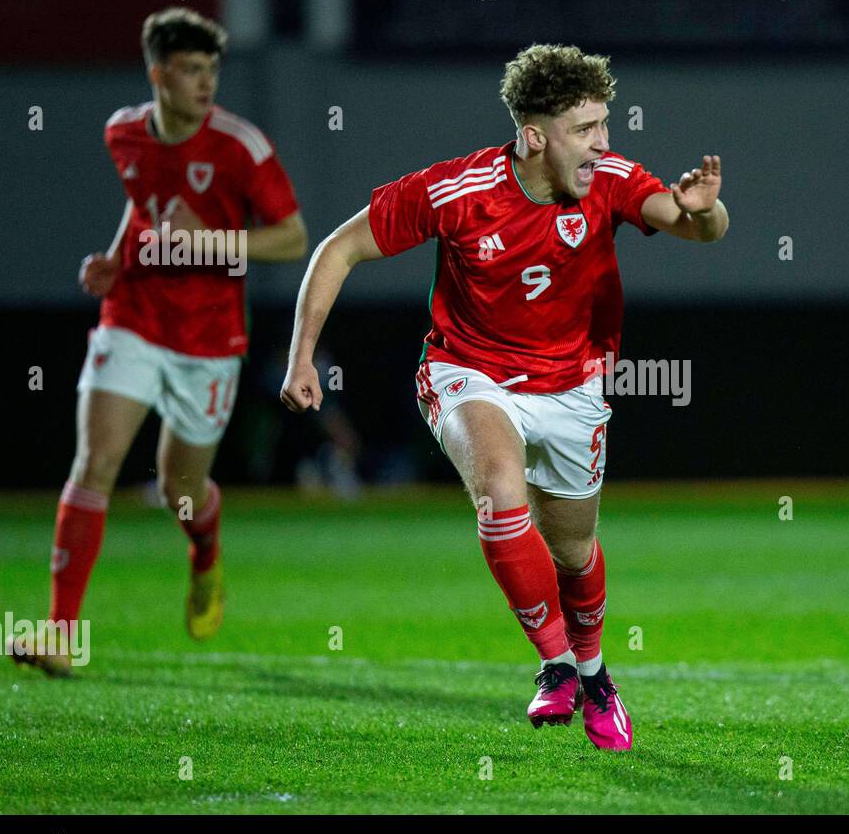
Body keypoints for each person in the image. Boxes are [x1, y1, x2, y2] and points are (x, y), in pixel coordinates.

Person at [281, 43, 728, 749]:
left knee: (574, 549)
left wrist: (704, 212)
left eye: (604, 125)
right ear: (534, 137)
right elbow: (337, 249)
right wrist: (302, 355)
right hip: (470, 371)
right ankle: (557, 667)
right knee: (498, 486)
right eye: (586, 129)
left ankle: (594, 673)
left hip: (575, 384)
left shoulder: (611, 180)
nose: (603, 143)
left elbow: (698, 226)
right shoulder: (458, 191)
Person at [12, 8, 308, 677]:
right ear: (158, 75)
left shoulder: (241, 146)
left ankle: (204, 552)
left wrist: (207, 241)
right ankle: (61, 632)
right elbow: (142, 202)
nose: (206, 84)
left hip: (209, 338)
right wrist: (118, 259)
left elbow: (291, 236)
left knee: (180, 488)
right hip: (134, 317)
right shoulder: (122, 131)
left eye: (212, 70)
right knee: (97, 461)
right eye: (192, 70)